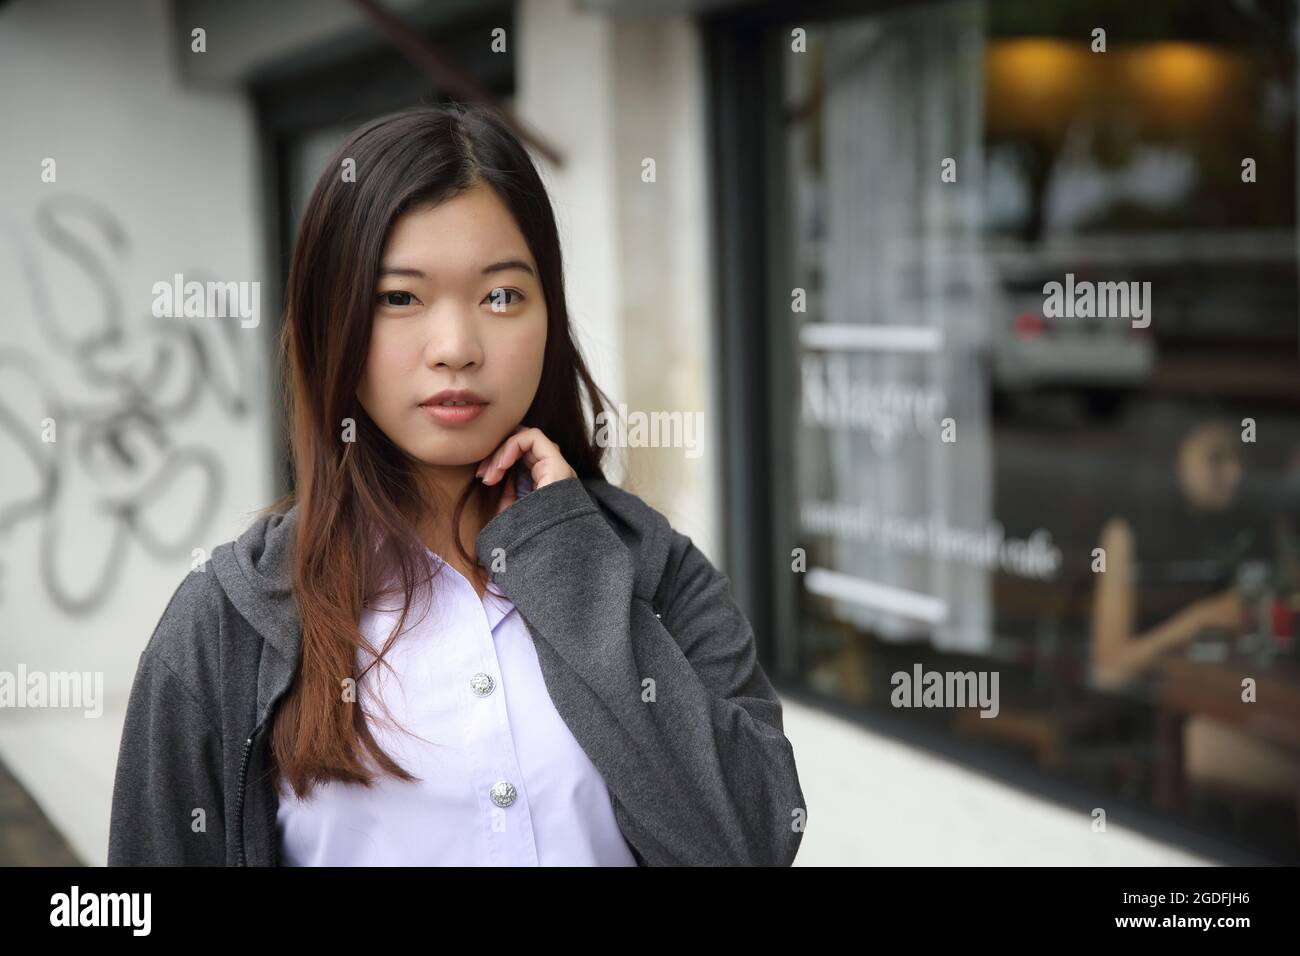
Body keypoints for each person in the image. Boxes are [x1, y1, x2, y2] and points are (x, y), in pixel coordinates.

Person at [106, 104, 806, 866]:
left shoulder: (654, 572)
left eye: (501, 295)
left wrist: (569, 563)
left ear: (550, 315)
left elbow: (751, 843)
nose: (456, 348)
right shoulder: (228, 622)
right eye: (399, 297)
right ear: (329, 321)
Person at [1090, 408, 1300, 808]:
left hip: (1243, 705)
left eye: (1240, 459)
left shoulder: (1247, 524)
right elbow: (1108, 668)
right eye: (1217, 459)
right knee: (1206, 745)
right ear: (1174, 455)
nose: (1234, 474)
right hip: (1156, 719)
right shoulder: (1126, 531)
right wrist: (1200, 619)